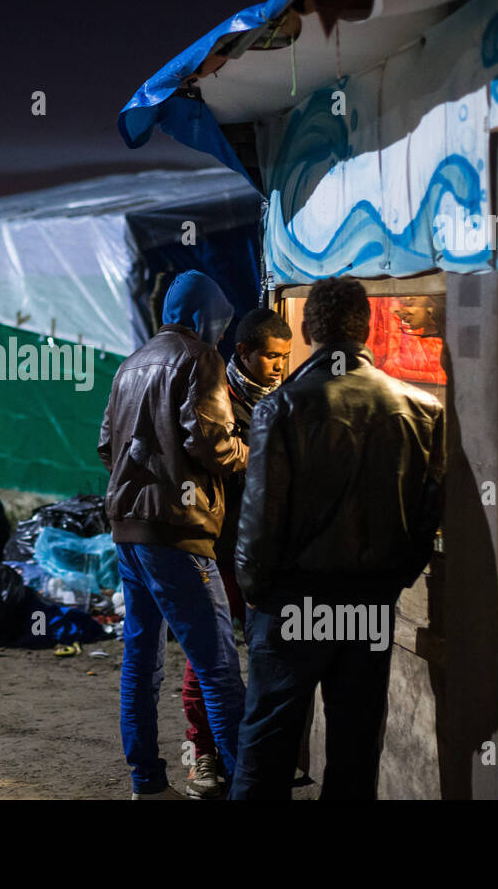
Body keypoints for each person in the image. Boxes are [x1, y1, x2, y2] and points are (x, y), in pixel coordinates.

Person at [229, 277, 446, 800]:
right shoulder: (421, 410)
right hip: (369, 602)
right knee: (354, 749)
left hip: (292, 604)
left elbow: (259, 523)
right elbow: (427, 519)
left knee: (267, 745)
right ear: (366, 328)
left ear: (308, 328)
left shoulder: (280, 408)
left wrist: (255, 591)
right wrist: (390, 582)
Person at [98, 270, 249, 799]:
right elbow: (211, 444)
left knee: (140, 663)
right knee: (217, 667)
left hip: (128, 534)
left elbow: (105, 445)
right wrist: (253, 451)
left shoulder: (130, 364)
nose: (222, 335)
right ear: (204, 315)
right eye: (220, 322)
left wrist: (144, 467)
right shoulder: (198, 359)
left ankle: (147, 783)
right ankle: (245, 788)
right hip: (178, 535)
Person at [182, 308, 292, 798]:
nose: (278, 367)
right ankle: (203, 754)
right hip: (220, 550)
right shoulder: (215, 400)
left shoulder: (284, 401)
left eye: (284, 357)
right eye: (270, 356)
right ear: (242, 353)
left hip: (268, 553)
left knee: (269, 655)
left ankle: (255, 757)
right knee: (209, 657)